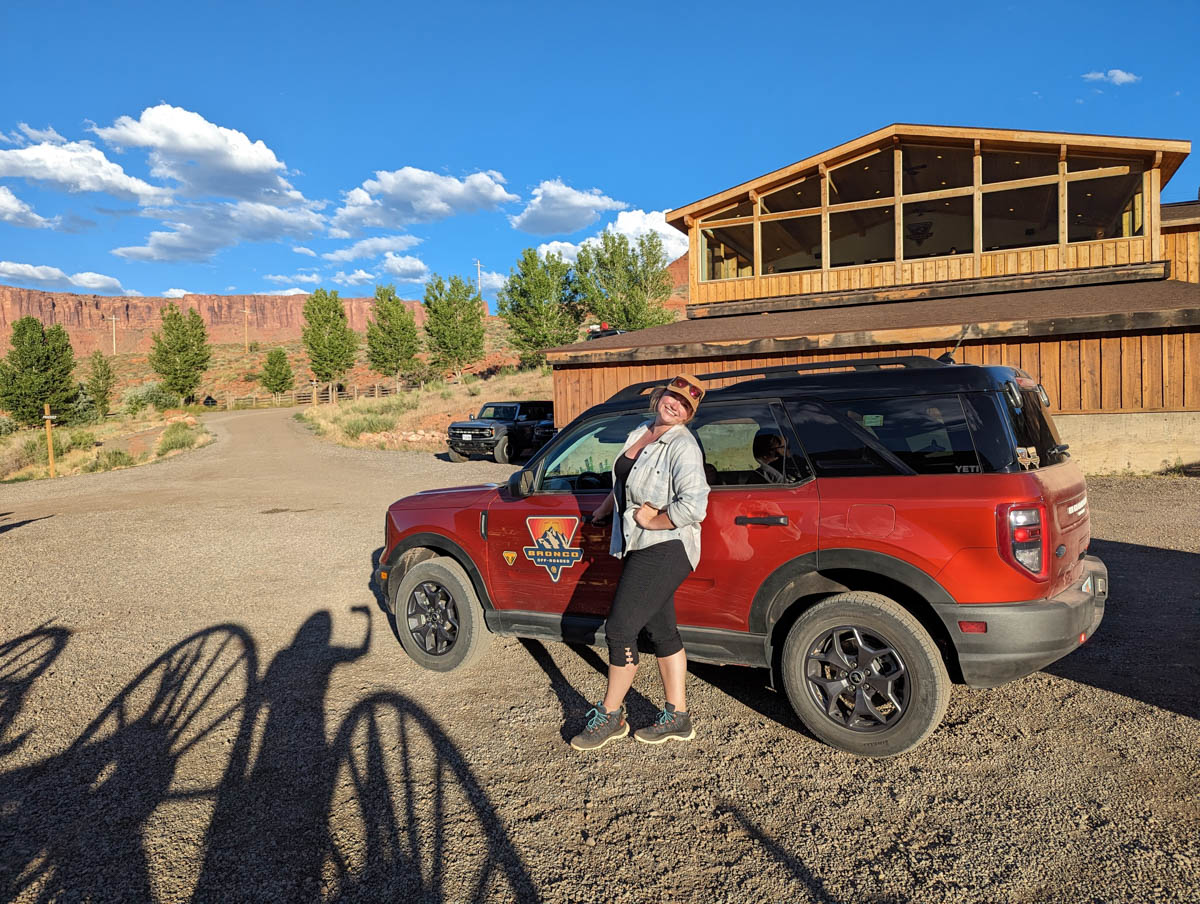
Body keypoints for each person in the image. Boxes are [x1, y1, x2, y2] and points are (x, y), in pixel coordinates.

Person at [570, 374, 711, 751]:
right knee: (662, 631)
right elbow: (624, 482)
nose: (675, 405)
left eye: (684, 405)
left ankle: (611, 714)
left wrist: (655, 520)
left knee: (620, 629)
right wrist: (604, 511)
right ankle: (678, 717)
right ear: (660, 396)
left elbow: (695, 505)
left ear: (689, 414)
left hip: (666, 545)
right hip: (640, 543)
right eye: (672, 396)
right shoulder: (641, 431)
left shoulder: (682, 445)